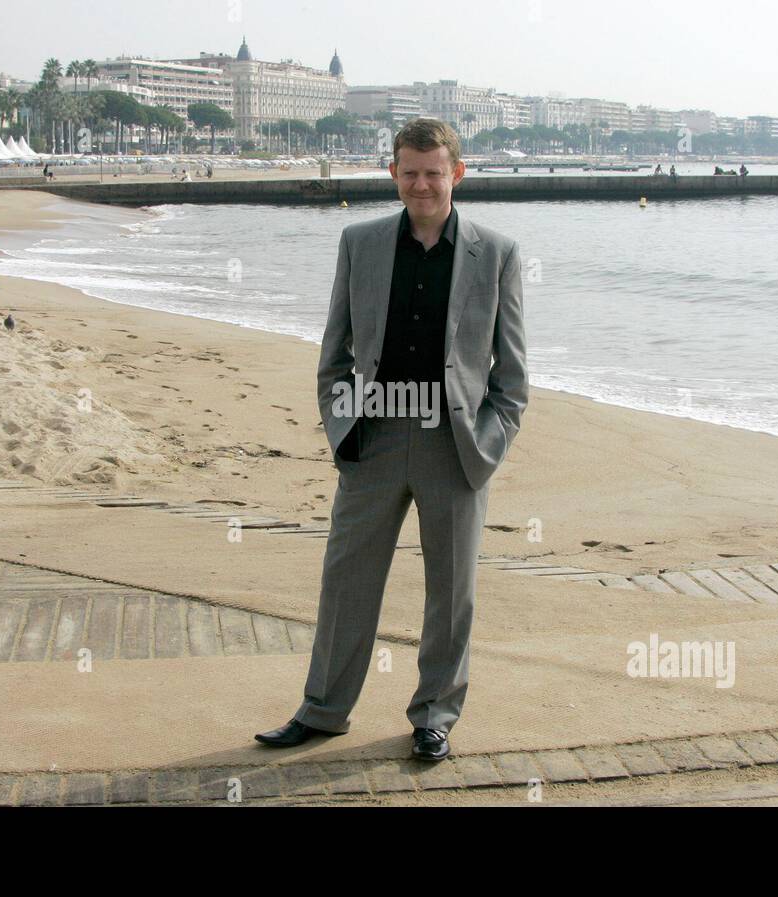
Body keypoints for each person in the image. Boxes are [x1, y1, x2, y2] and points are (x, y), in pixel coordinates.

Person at [254, 118, 529, 762]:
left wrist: (487, 447)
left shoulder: (498, 253)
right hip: (372, 437)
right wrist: (341, 429)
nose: (422, 184)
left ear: (457, 173)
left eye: (434, 172)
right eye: (409, 172)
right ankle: (323, 710)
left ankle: (435, 714)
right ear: (393, 175)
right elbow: (335, 352)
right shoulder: (361, 242)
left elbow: (511, 378)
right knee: (347, 578)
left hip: (454, 443)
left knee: (451, 589)